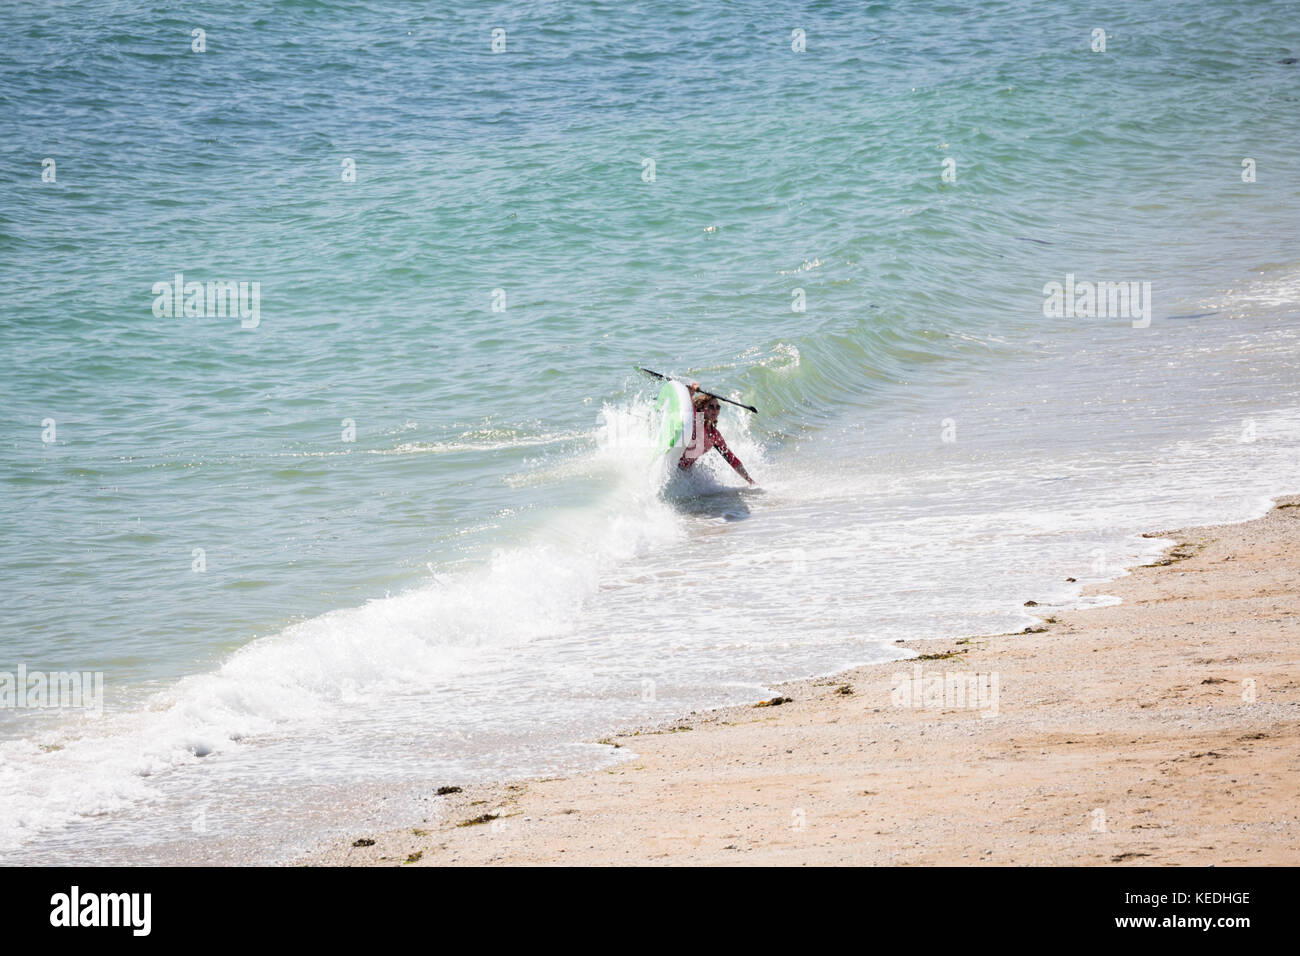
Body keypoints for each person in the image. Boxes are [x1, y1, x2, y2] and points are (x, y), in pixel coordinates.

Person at [680, 382, 755, 485]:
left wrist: (749, 480)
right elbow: (688, 405)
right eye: (711, 406)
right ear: (702, 408)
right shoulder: (697, 420)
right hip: (673, 466)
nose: (715, 410)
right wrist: (692, 390)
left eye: (718, 407)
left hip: (685, 473)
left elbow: (732, 460)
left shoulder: (714, 435)